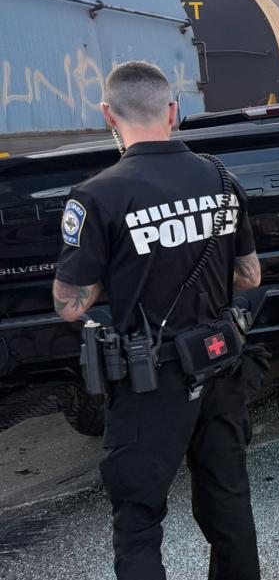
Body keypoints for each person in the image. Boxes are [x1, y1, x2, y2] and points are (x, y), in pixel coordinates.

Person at [52, 62, 262, 579]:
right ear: (173, 111)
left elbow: (70, 305)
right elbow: (250, 276)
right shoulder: (221, 178)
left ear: (108, 115)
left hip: (151, 383)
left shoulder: (96, 196)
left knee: (139, 520)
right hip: (219, 365)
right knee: (229, 506)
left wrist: (121, 275)